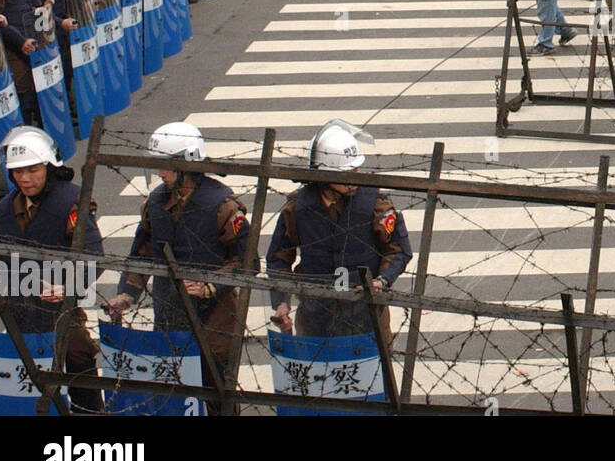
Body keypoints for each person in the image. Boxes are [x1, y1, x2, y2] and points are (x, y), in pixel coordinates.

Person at [104, 122, 252, 415]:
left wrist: (211, 285)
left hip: (215, 319)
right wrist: (126, 294)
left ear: (188, 165)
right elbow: (142, 254)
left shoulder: (223, 206)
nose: (160, 173)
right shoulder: (155, 203)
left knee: (216, 394)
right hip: (169, 315)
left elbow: (247, 261)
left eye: (166, 167)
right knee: (175, 394)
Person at [266, 120, 411, 343]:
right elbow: (278, 258)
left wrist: (382, 280)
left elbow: (398, 250)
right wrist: (281, 302)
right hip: (315, 316)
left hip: (367, 315)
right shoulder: (298, 208)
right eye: (347, 174)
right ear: (326, 175)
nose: (354, 179)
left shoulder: (376, 204)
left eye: (356, 170)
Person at [0, 126, 103, 412]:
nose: (25, 178)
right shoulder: (3, 210)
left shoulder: (71, 201)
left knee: (78, 358)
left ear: (48, 166)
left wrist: (69, 288)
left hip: (61, 310)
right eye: (18, 172)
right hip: (18, 311)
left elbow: (93, 253)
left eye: (32, 170)